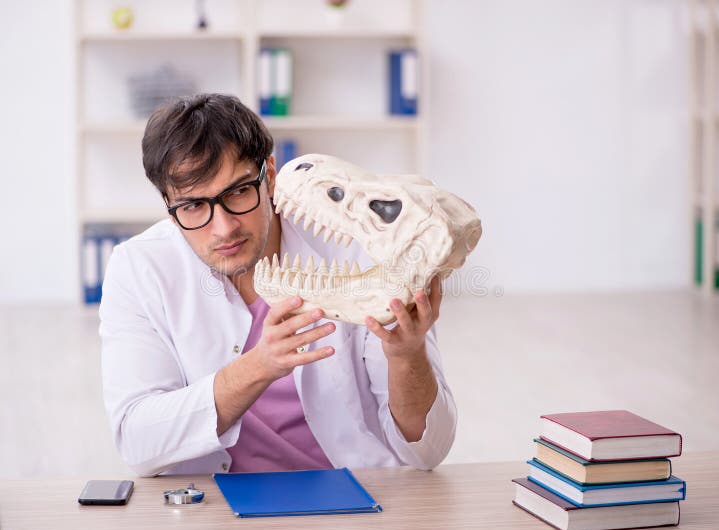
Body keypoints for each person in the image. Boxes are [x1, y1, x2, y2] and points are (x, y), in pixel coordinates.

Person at [99, 93, 457, 476]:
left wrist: (407, 355)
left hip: (354, 496)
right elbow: (138, 442)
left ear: (269, 175)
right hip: (214, 509)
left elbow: (428, 451)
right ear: (168, 207)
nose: (224, 228)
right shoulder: (139, 268)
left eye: (238, 192)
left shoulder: (361, 249)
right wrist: (259, 366)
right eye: (193, 207)